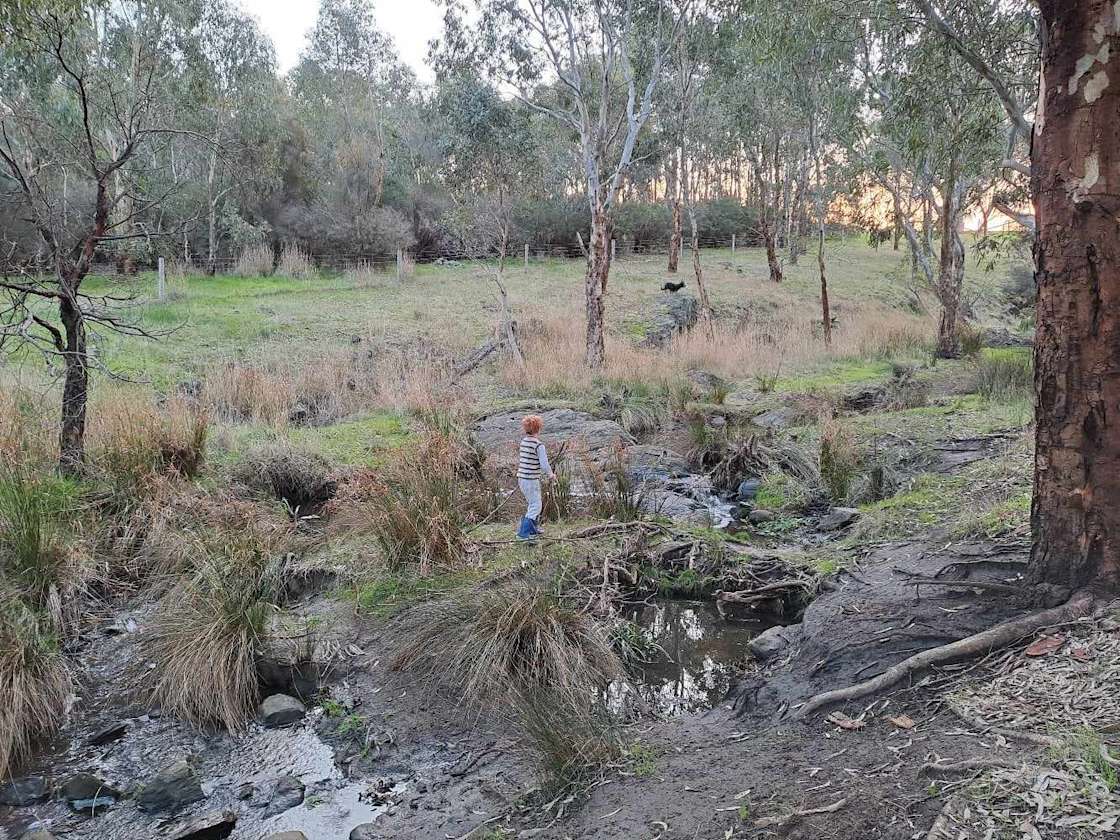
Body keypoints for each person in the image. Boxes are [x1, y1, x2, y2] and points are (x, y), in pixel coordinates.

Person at [516, 414, 553, 540]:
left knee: (532, 503)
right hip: (531, 479)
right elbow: (544, 464)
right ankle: (523, 534)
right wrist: (551, 474)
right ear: (539, 428)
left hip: (521, 478)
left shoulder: (524, 442)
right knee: (536, 505)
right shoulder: (538, 445)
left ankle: (532, 528)